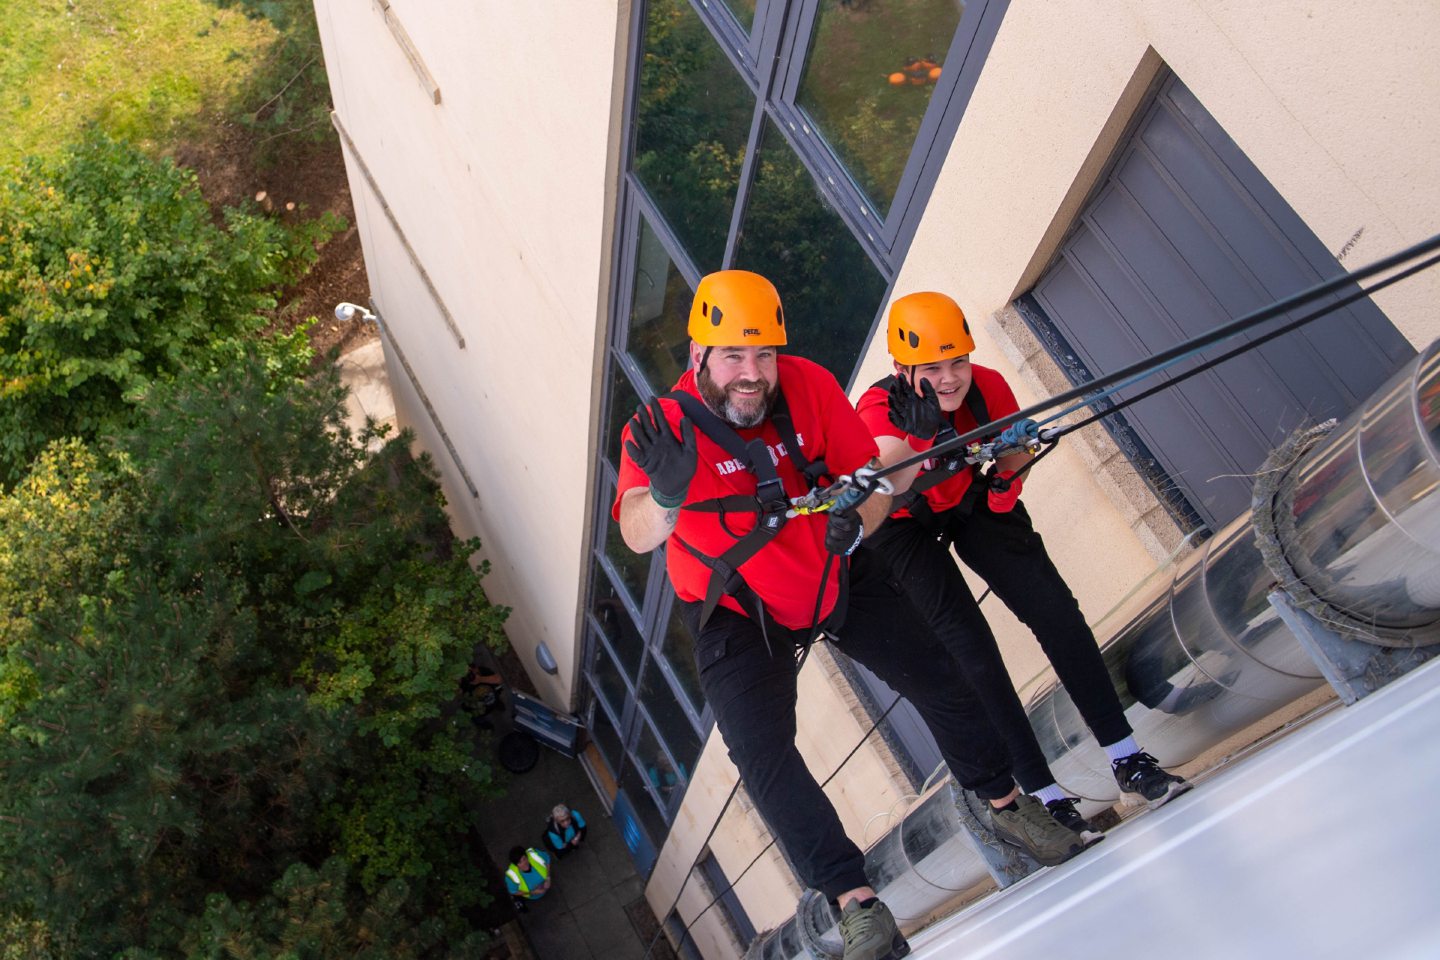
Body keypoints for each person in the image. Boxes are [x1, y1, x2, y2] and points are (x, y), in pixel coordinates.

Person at [614, 270, 1088, 960]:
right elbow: (635, 530)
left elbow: (875, 481)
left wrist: (855, 524)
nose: (753, 375)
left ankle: (1008, 806)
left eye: (764, 356)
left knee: (943, 676)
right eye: (734, 357)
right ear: (699, 357)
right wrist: (665, 491)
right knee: (761, 753)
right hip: (739, 611)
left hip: (834, 570)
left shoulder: (808, 386)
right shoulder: (660, 429)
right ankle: (855, 903)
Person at [855, 290, 1191, 835]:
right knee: (972, 651)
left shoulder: (987, 387)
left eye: (957, 362)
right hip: (902, 524)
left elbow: (1013, 455)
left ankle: (1127, 756)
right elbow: (890, 483)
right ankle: (1044, 794)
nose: (949, 378)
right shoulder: (875, 410)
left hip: (968, 496)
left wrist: (1003, 488)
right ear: (900, 367)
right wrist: (919, 434)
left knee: (1053, 610)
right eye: (932, 368)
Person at [504, 845, 552, 911]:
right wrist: (532, 893)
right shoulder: (511, 876)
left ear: (526, 856)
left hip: (544, 888)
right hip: (533, 896)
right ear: (515, 865)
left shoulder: (534, 855)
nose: (524, 863)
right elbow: (514, 891)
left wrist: (548, 877)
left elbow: (547, 859)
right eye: (520, 862)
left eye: (524, 859)